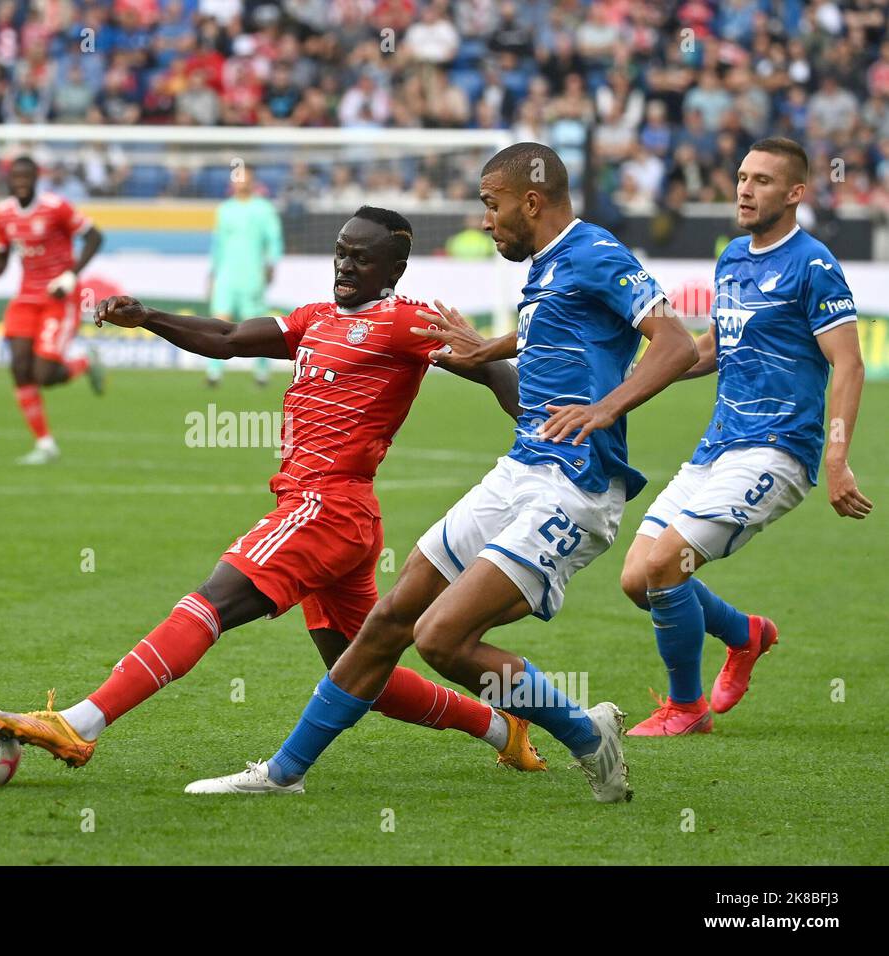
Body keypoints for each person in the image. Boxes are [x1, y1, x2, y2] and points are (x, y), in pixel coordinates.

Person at [187, 143, 697, 803]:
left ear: (531, 200)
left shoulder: (596, 252)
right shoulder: (549, 266)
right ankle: (283, 774)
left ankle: (583, 732)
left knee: (442, 638)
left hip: (576, 486)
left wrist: (605, 408)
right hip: (521, 470)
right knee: (391, 619)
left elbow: (676, 343)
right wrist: (494, 346)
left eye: (491, 204)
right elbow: (567, 328)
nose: (486, 220)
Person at [0, 206, 547, 775]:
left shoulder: (409, 322)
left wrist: (542, 427)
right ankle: (503, 728)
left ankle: (80, 723)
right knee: (359, 672)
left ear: (395, 267)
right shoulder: (317, 318)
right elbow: (228, 337)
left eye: (362, 257)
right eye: (341, 251)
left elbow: (491, 370)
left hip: (325, 506)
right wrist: (148, 316)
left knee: (214, 598)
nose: (345, 265)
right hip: (338, 518)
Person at [619, 137, 872, 734]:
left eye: (760, 180)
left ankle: (686, 708)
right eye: (741, 177)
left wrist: (837, 459)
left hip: (777, 451)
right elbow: (714, 347)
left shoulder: (812, 264)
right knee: (638, 580)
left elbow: (850, 363)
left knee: (664, 567)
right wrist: (639, 377)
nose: (744, 189)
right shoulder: (732, 255)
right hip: (716, 446)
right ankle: (746, 634)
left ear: (795, 193)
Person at [0, 155, 105, 465]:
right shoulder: (3, 213)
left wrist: (71, 274)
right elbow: (2, 256)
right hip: (25, 297)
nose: (21, 183)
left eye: (27, 177)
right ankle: (45, 444)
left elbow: (94, 236)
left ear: (37, 178)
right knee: (19, 368)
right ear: (9, 180)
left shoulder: (55, 207)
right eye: (16, 178)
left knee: (45, 374)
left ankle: (85, 362)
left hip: (58, 297)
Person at [206, 164, 283, 387]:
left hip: (252, 274)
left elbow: (274, 241)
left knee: (254, 326)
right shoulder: (224, 209)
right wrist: (213, 273)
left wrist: (271, 265)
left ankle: (261, 372)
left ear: (253, 181)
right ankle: (214, 373)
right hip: (227, 274)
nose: (241, 182)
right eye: (237, 178)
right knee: (219, 321)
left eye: (245, 178)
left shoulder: (264, 209)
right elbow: (218, 244)